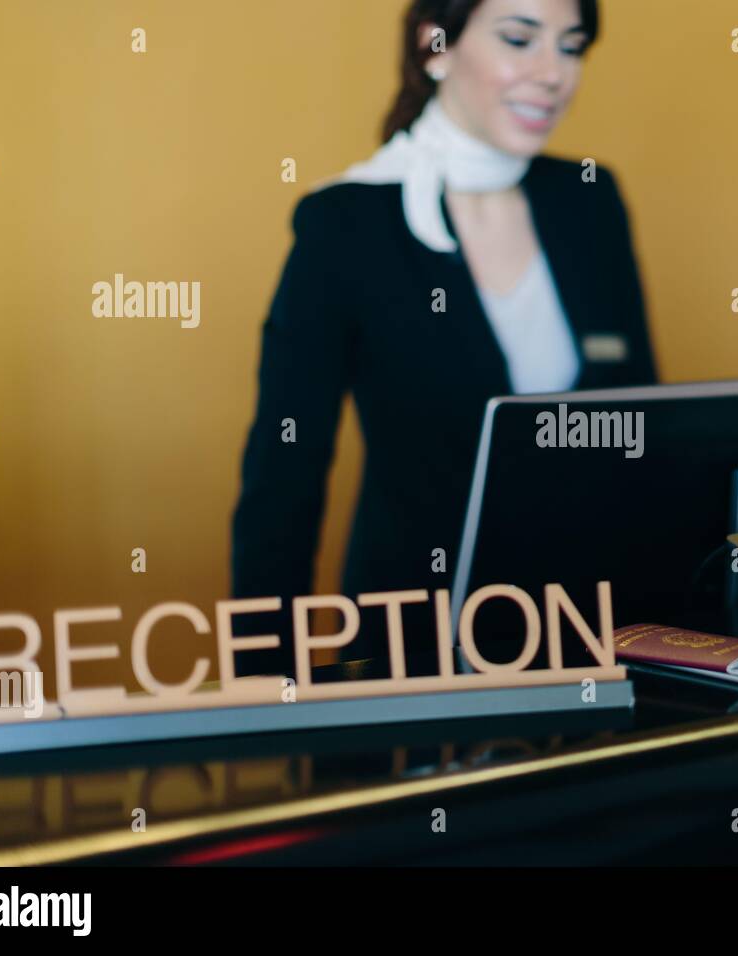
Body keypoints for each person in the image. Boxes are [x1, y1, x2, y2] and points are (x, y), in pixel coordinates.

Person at [231, 0, 656, 676]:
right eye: (520, 38)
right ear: (437, 47)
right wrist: (263, 689)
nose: (554, 74)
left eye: (571, 46)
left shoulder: (589, 200)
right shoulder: (343, 224)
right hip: (415, 647)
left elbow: (645, 438)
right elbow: (283, 479)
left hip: (597, 636)